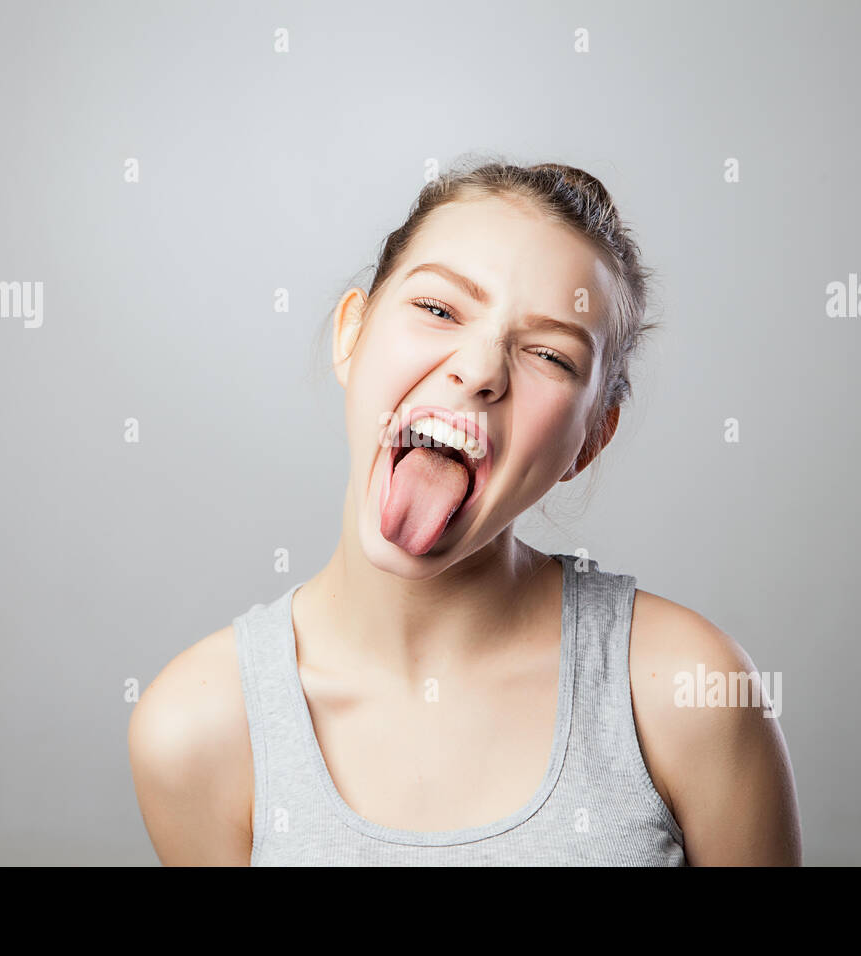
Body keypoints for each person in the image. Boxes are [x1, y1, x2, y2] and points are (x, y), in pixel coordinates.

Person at [128, 159, 802, 865]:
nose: (480, 370)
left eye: (549, 354)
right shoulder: (198, 727)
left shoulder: (687, 691)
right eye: (439, 309)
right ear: (351, 335)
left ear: (590, 439)